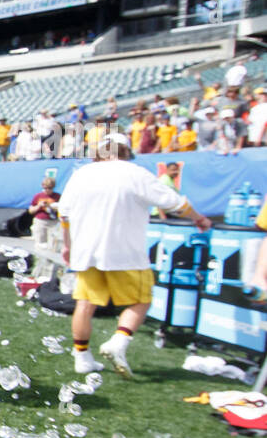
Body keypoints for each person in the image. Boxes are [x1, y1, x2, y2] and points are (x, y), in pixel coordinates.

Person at [57, 133, 210, 377]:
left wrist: (67, 246)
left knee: (85, 304)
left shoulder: (81, 174)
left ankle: (82, 357)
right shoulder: (135, 173)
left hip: (86, 252)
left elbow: (64, 216)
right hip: (125, 252)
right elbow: (176, 204)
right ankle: (119, 342)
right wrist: (199, 219)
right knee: (141, 300)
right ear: (126, 151)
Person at [27, 176, 61, 283]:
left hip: (53, 222)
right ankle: (38, 271)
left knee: (53, 248)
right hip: (41, 221)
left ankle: (50, 273)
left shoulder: (57, 197)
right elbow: (31, 210)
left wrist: (54, 207)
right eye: (46, 188)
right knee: (40, 246)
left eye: (50, 188)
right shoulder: (38, 196)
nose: (47, 190)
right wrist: (39, 206)